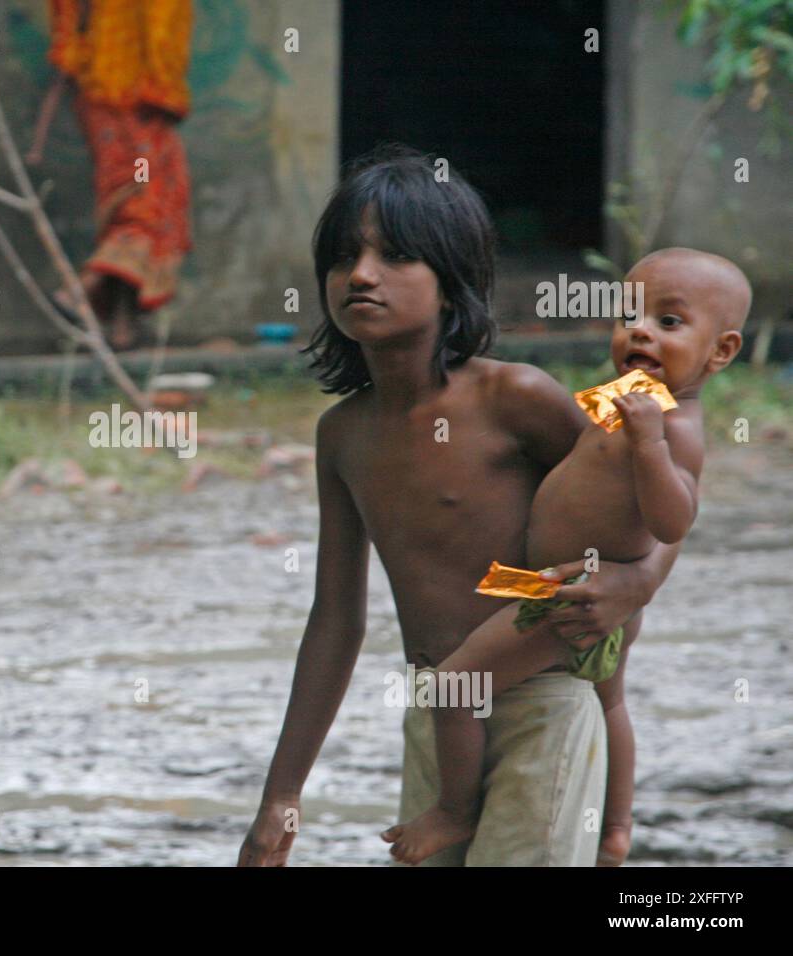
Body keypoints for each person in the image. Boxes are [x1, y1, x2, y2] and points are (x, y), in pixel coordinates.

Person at [236, 146, 681, 867]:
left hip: (541, 706)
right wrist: (281, 796)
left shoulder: (517, 398)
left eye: (396, 257)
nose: (362, 275)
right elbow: (335, 618)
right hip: (437, 717)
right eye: (344, 257)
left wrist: (642, 580)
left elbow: (651, 493)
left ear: (451, 284)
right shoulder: (343, 434)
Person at [381, 248, 750, 867]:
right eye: (629, 315)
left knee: (451, 687)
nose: (639, 331)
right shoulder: (631, 397)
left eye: (669, 322)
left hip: (567, 599)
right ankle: (615, 831)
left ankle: (453, 812)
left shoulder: (673, 426)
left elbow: (674, 520)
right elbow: (573, 444)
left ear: (721, 352)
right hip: (558, 588)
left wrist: (650, 447)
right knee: (611, 705)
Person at [29, 0, 194, 350]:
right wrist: (165, 90)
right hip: (139, 100)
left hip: (100, 96)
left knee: (129, 206)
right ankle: (81, 289)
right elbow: (162, 28)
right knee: (148, 206)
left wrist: (74, 56)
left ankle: (123, 328)